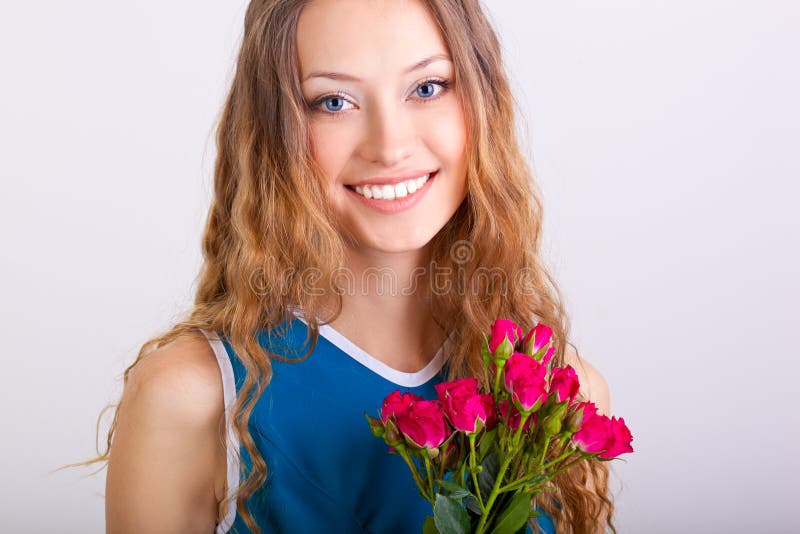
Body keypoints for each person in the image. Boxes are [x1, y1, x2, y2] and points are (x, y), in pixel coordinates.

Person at [93, 0, 617, 532]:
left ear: (483, 102)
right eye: (333, 101)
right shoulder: (190, 399)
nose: (390, 147)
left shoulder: (563, 400)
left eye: (427, 87)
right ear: (274, 133)